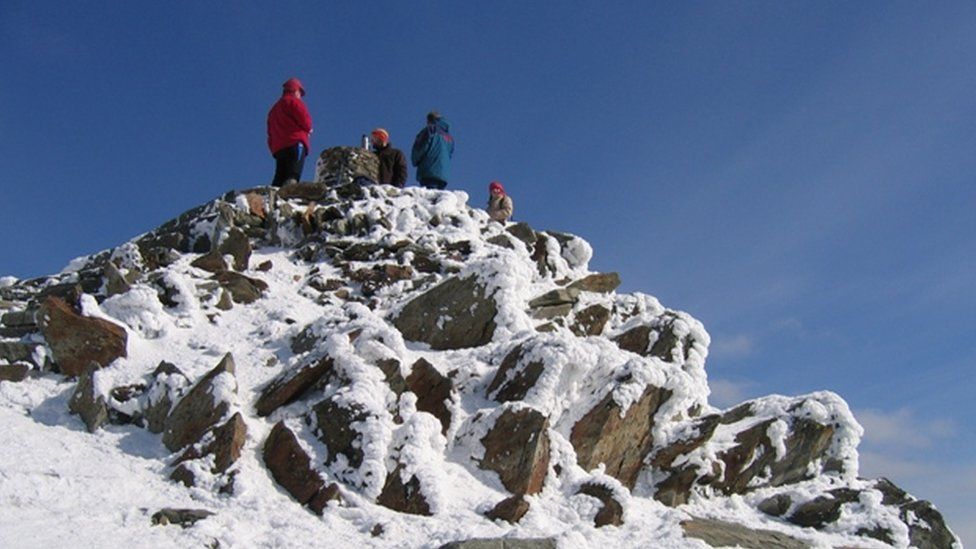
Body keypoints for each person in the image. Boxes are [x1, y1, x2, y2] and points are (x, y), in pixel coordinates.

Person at [267, 77, 313, 187]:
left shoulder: (273, 110)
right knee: (293, 173)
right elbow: (305, 120)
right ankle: (290, 193)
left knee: (280, 175)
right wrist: (308, 130)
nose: (300, 96)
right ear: (295, 90)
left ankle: (273, 197)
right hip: (295, 142)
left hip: (278, 148)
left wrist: (273, 147)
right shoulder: (294, 102)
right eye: (300, 92)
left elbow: (270, 132)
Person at [411, 111, 454, 189]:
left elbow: (420, 148)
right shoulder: (449, 138)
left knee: (428, 197)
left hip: (429, 171)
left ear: (430, 120)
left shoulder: (429, 130)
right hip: (443, 174)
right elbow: (450, 154)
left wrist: (415, 160)